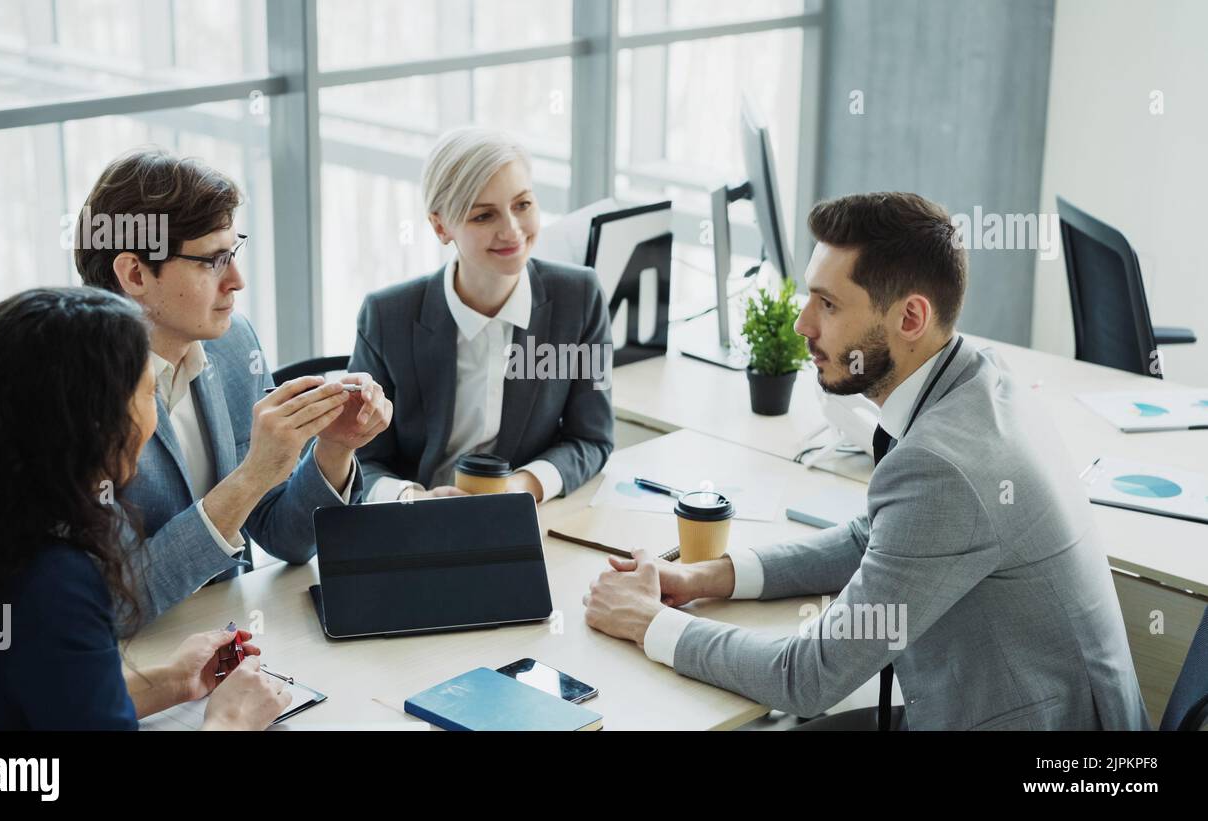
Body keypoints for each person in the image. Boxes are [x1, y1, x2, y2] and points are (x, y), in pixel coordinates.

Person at [584, 192, 1150, 731]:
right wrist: (704, 576)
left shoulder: (945, 468)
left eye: (828, 304)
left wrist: (648, 622)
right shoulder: (977, 373)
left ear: (910, 318)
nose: (804, 323)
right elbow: (874, 538)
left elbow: (806, 678)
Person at [0, 288, 289, 730]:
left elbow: (41, 692)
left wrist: (171, 681)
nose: (156, 418)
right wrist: (231, 721)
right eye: (149, 393)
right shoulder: (57, 580)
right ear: (96, 422)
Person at [75, 149, 392, 621]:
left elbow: (284, 538)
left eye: (234, 253)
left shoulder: (230, 343)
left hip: (231, 637)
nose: (238, 281)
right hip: (134, 664)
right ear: (135, 273)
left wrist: (334, 450)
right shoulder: (71, 393)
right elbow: (120, 601)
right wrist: (252, 476)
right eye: (212, 262)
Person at [349, 127, 614, 504]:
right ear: (441, 226)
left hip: (525, 517)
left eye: (522, 205)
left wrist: (521, 488)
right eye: (484, 216)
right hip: (417, 525)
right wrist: (412, 500)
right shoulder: (386, 316)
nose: (511, 230)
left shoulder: (580, 297)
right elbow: (361, 457)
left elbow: (592, 437)